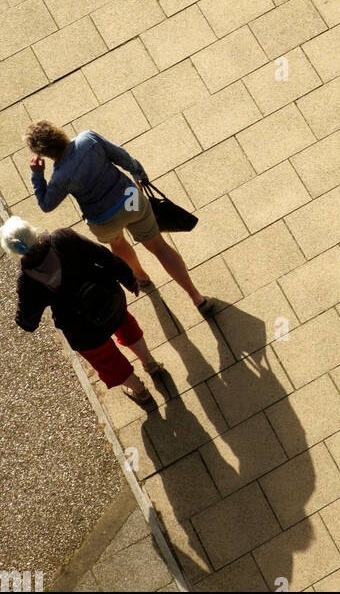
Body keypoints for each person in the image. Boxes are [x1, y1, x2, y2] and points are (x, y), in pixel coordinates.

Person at [23, 121, 213, 316]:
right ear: (57, 131)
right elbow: (121, 156)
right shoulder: (88, 139)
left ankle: (140, 276)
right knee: (158, 246)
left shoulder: (59, 176)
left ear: (43, 153)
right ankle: (196, 298)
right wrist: (138, 172)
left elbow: (46, 205)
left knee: (119, 244)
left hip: (102, 219)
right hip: (130, 200)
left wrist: (37, 175)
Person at [1, 216, 161, 406]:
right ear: (31, 230)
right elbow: (102, 255)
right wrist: (128, 278)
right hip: (108, 299)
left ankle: (140, 392)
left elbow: (27, 322)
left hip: (83, 331)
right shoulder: (63, 238)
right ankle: (151, 364)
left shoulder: (26, 281)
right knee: (126, 326)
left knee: (108, 360)